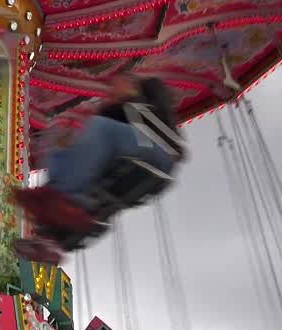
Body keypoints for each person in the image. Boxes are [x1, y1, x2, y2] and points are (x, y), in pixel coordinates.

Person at [13, 74, 182, 234]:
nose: (111, 93)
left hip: (160, 150)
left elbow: (152, 109)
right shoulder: (118, 112)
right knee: (58, 145)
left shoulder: (146, 94)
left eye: (115, 88)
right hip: (134, 150)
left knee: (99, 127)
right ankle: (57, 219)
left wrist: (128, 97)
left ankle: (59, 194)